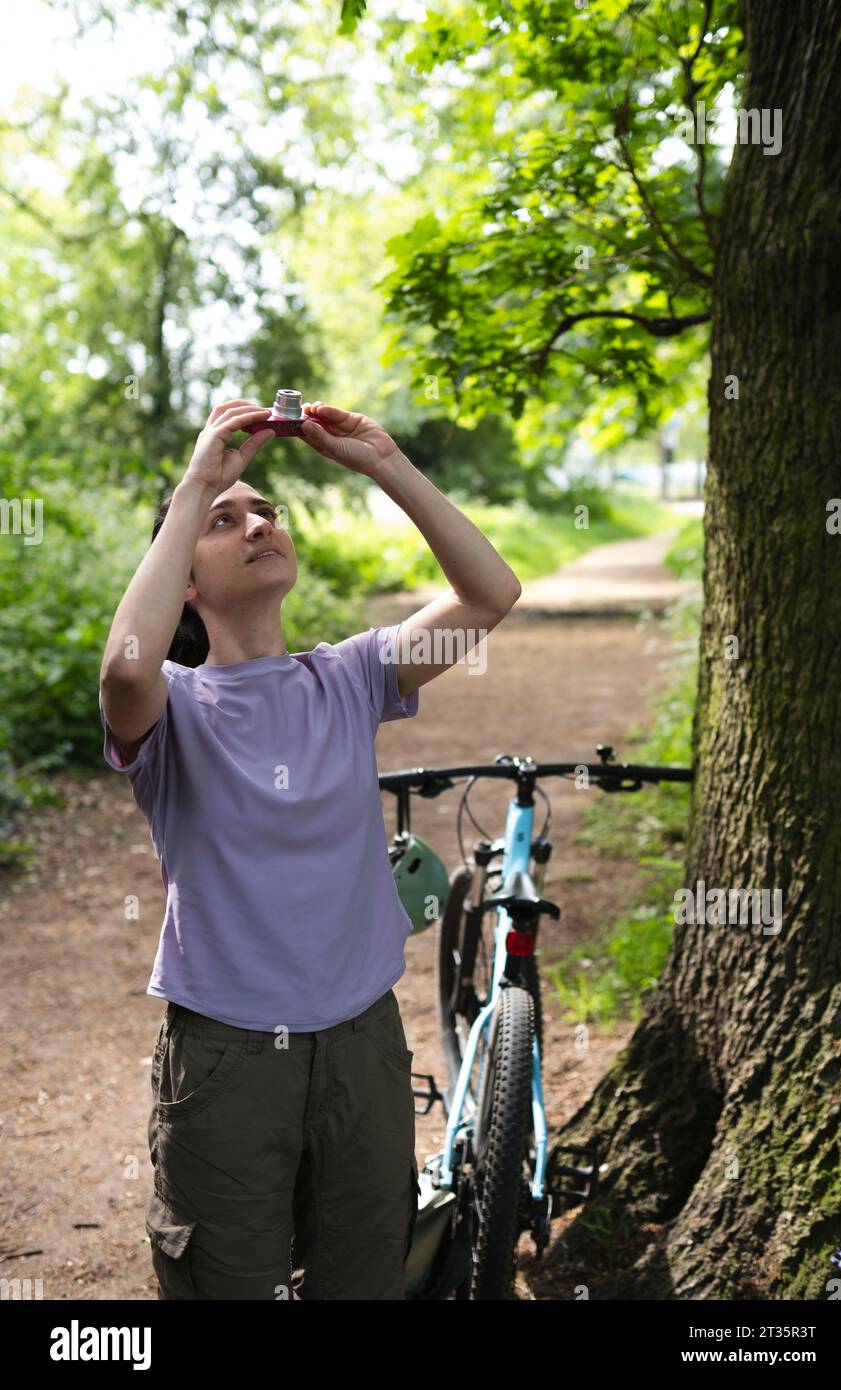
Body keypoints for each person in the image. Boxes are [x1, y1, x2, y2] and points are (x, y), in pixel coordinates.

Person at [98, 396, 522, 1300]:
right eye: (226, 519)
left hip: (364, 1043)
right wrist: (195, 483)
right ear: (185, 581)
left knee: (364, 1282)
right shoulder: (171, 709)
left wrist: (385, 464)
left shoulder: (350, 676)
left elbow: (491, 594)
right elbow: (125, 667)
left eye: (265, 512)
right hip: (225, 1059)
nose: (256, 522)